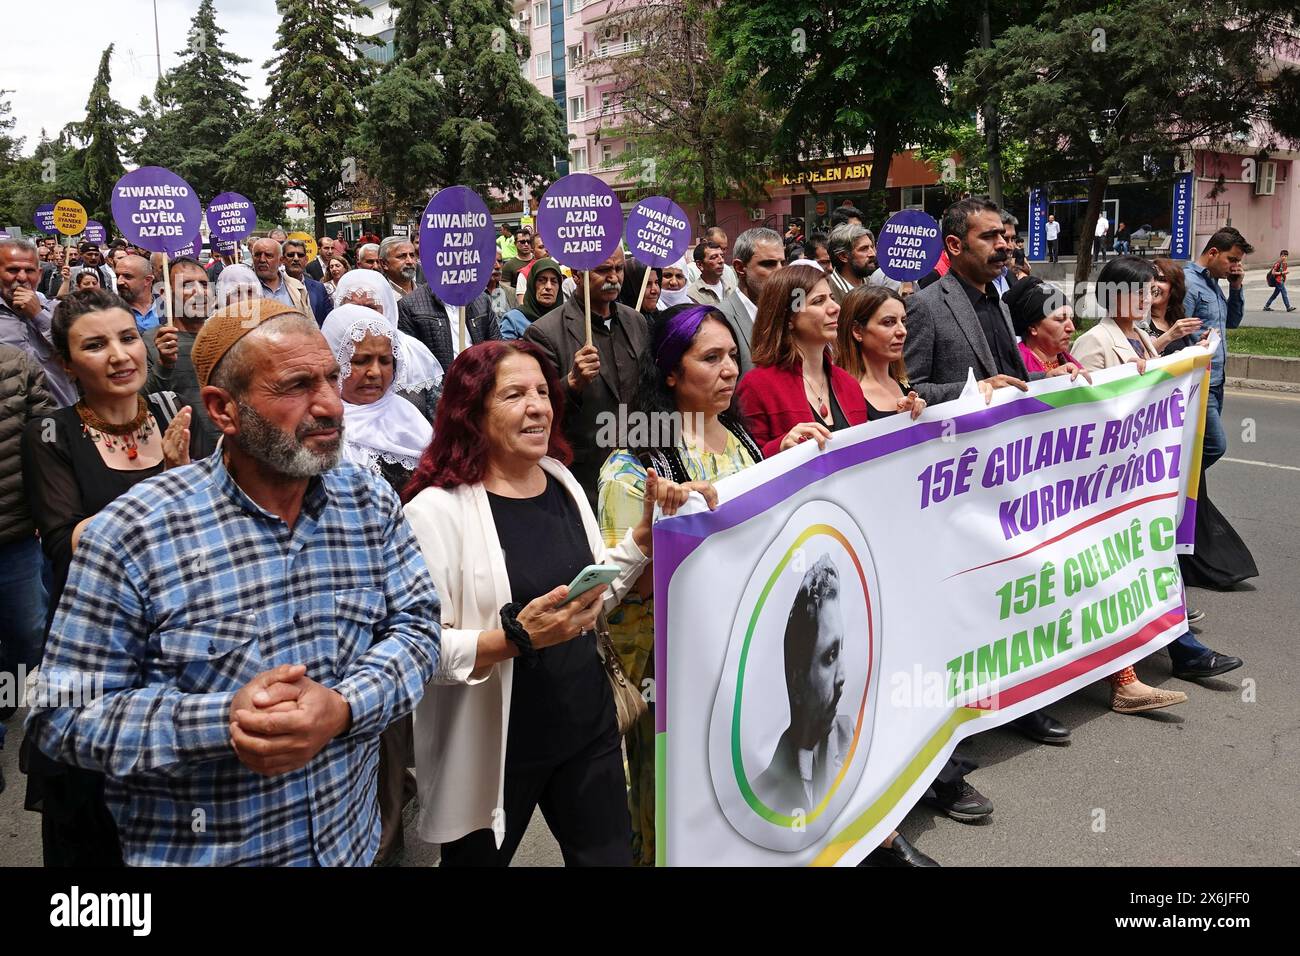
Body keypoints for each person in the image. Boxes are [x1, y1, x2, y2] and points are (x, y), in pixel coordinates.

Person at [24, 297, 442, 866]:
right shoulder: (135, 534)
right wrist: (224, 722)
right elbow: (61, 712)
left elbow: (418, 630)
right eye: (296, 386)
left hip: (351, 847)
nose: (329, 405)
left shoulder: (367, 502)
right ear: (223, 409)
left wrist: (344, 708)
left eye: (329, 378)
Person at [402, 339, 695, 865]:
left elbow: (590, 602)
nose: (538, 405)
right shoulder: (434, 513)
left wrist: (641, 544)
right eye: (514, 394)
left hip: (587, 727)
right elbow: (419, 652)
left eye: (542, 390)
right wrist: (515, 639)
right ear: (471, 412)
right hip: (496, 746)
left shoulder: (562, 480)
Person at [20, 288, 191, 865]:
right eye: (95, 345)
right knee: (93, 826)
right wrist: (168, 479)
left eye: (126, 337)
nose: (120, 355)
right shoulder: (52, 434)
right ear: (67, 364)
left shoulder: (173, 409)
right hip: (97, 644)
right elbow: (68, 542)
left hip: (178, 634)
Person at [904, 199, 1075, 744]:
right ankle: (952, 716)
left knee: (1015, 593)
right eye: (990, 237)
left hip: (1012, 477)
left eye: (1006, 235)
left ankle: (1021, 699)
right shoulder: (927, 306)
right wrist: (972, 392)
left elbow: (1015, 375)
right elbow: (905, 393)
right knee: (970, 603)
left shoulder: (998, 302)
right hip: (959, 485)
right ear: (954, 246)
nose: (1005, 245)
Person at [597, 303, 752, 865]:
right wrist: (660, 529)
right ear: (669, 371)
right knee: (673, 800)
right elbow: (618, 595)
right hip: (669, 674)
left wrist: (793, 461)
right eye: (710, 358)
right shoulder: (632, 467)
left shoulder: (744, 444)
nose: (729, 369)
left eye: (732, 355)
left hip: (739, 655)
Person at [1073, 255, 1244, 683]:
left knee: (1155, 561)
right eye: (1136, 290)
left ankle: (1180, 647)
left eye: (1150, 290)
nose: (1146, 298)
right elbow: (1081, 415)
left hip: (1142, 477)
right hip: (1107, 481)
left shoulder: (1144, 340)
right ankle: (1170, 653)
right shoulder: (1094, 343)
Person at [319, 300, 433, 865]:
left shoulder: (411, 422)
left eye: (384, 360)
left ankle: (397, 799)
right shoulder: (317, 430)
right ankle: (378, 843)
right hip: (349, 597)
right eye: (358, 360)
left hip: (410, 591)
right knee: (368, 722)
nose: (374, 374)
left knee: (402, 717)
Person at [525, 247, 650, 505]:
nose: (613, 278)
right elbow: (536, 410)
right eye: (603, 270)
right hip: (583, 477)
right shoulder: (544, 332)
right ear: (577, 276)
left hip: (638, 470)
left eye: (618, 269)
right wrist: (571, 384)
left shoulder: (635, 321)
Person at [736, 263, 867, 458]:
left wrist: (907, 418)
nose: (835, 307)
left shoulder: (850, 385)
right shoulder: (757, 386)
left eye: (831, 298)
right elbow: (744, 465)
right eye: (818, 301)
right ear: (788, 316)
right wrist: (780, 447)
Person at [0, 345, 56, 795]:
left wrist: (45, 507)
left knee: (27, 635)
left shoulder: (16, 364)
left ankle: (3, 698)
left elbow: (46, 435)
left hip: (14, 533)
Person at [1183, 227, 1250, 470]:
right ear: (1213, 252)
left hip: (1217, 379)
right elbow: (1177, 335)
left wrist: (1236, 287)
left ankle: (1191, 500)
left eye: (1238, 262)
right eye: (1231, 259)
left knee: (1199, 445)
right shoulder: (1189, 282)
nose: (1234, 266)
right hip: (1199, 382)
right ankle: (1178, 486)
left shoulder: (1214, 282)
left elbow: (1232, 322)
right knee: (1215, 445)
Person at [143, 256, 222, 459]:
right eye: (186, 285)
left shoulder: (226, 337)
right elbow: (137, 403)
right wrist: (163, 365)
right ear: (165, 294)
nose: (199, 292)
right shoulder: (152, 341)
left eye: (204, 284)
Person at [0, 238, 78, 406]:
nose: (21, 277)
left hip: (65, 416)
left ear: (40, 274)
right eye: (12, 270)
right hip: (15, 424)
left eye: (29, 270)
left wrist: (38, 315)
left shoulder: (56, 310)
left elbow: (78, 352)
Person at [835, 285, 926, 421]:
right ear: (858, 331)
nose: (902, 331)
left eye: (903, 321)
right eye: (888, 322)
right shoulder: (841, 393)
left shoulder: (902, 381)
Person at [396, 267, 500, 373]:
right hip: (439, 386)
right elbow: (411, 363)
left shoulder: (481, 300)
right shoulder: (409, 306)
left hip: (478, 381)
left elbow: (497, 348)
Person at [718, 227, 785, 378]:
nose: (780, 272)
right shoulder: (721, 318)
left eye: (782, 263)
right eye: (769, 264)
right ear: (740, 268)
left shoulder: (789, 314)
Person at [1002, 276, 1085, 375]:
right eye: (1060, 320)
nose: (1071, 328)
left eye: (1071, 319)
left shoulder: (1070, 362)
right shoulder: (1015, 366)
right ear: (1033, 327)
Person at [501, 257, 565, 341]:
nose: (548, 287)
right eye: (542, 280)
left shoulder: (566, 319)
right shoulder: (513, 319)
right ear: (532, 285)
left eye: (554, 281)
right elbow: (505, 352)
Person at [250, 237, 311, 313]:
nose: (262, 260)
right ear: (252, 258)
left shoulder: (298, 287)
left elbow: (309, 321)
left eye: (268, 255)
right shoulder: (242, 289)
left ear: (281, 260)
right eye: (258, 255)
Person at [282, 238, 332, 324]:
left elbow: (329, 319)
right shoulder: (277, 288)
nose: (296, 258)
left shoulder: (318, 287)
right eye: (291, 255)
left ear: (306, 260)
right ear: (282, 260)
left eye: (300, 255)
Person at [113, 254, 165, 332]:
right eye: (117, 276)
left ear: (147, 280)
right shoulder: (111, 310)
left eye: (127, 276)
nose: (119, 282)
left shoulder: (168, 306)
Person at [827, 223, 876, 305]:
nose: (872, 254)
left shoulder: (873, 285)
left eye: (872, 247)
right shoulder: (827, 290)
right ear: (843, 256)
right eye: (864, 249)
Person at [688, 241, 731, 305]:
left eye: (722, 256)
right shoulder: (692, 295)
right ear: (700, 265)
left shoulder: (731, 287)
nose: (721, 261)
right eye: (714, 257)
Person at [379, 235, 420, 302]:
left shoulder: (427, 293)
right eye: (402, 256)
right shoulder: (377, 296)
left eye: (412, 255)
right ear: (384, 263)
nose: (410, 261)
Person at [486, 250, 519, 320]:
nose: (497, 266)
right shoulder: (472, 296)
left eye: (500, 261)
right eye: (492, 262)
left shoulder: (511, 292)